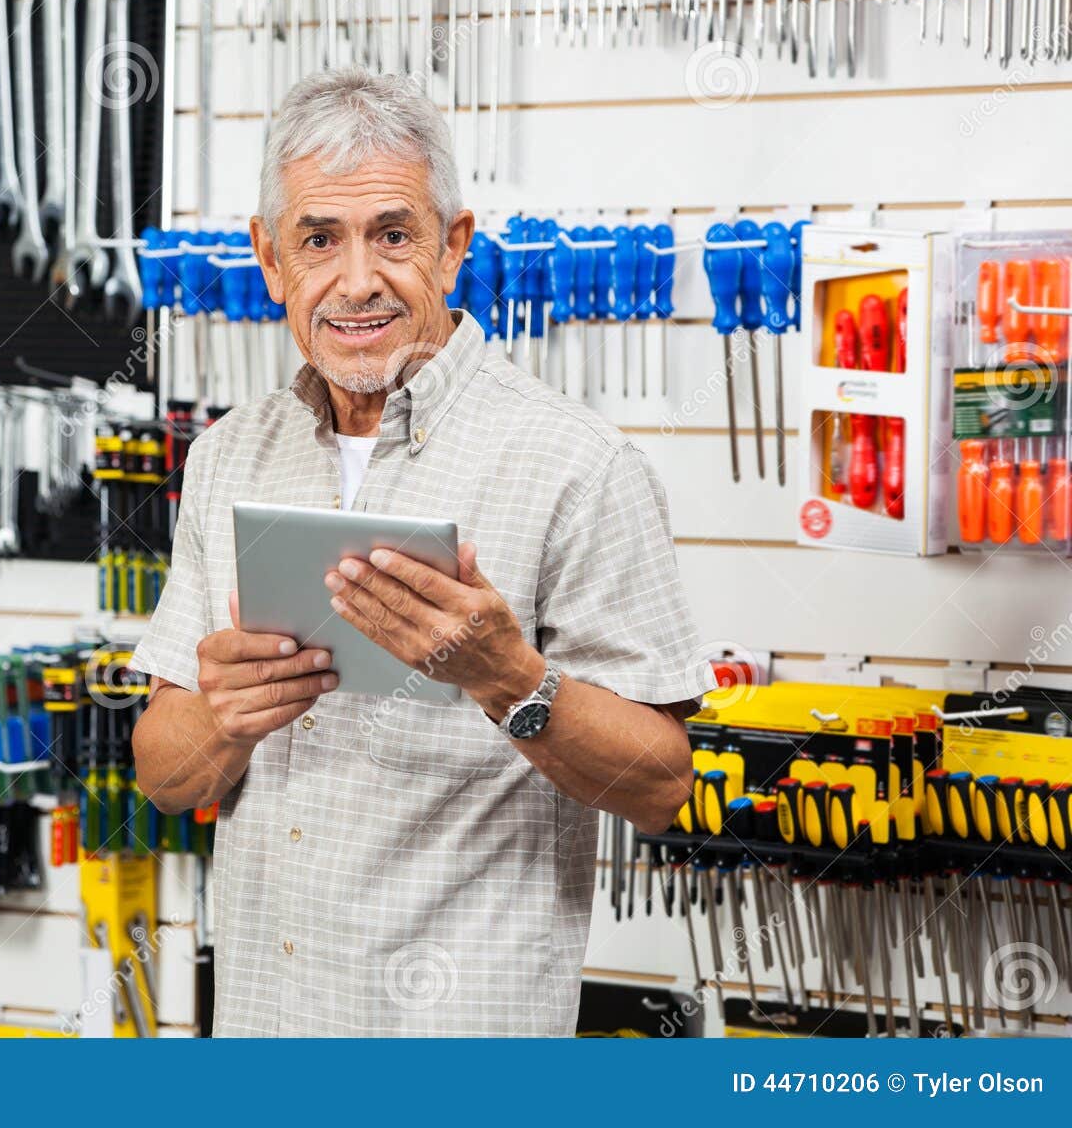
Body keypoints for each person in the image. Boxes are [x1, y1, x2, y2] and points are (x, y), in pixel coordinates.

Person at [129, 65, 715, 1036]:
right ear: (269, 260)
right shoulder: (231, 453)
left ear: (452, 248)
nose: (356, 279)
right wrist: (224, 720)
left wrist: (511, 680)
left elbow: (660, 784)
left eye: (392, 235)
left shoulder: (580, 465)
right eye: (319, 240)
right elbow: (163, 769)